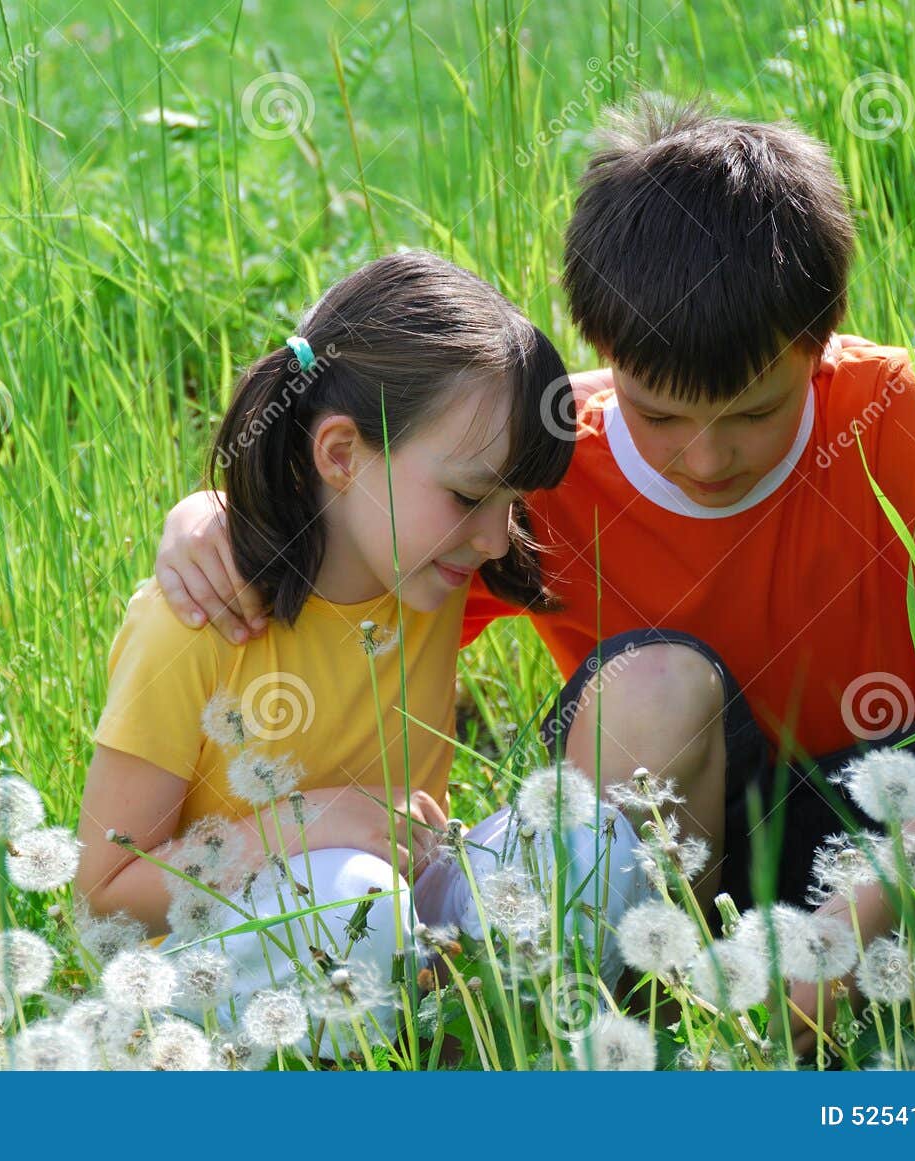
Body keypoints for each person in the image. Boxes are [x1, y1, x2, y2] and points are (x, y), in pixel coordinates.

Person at [148, 94, 915, 1061]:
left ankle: (856, 1002)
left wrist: (857, 919)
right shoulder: (549, 463)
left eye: (754, 413)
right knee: (653, 686)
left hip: (903, 825)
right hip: (678, 849)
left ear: (820, 342)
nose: (706, 458)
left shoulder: (899, 405)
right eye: (659, 415)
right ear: (602, 352)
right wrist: (226, 513)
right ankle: (645, 1010)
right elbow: (359, 565)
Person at [73, 249, 581, 1060]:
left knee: (585, 843)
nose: (497, 538)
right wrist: (300, 824)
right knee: (355, 903)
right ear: (341, 455)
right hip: (208, 973)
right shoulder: (196, 623)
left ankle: (492, 1044)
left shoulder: (430, 564)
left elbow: (637, 420)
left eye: (512, 503)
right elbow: (101, 895)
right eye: (469, 497)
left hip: (398, 913)